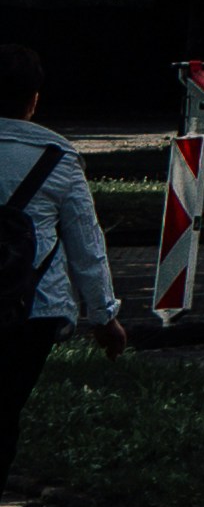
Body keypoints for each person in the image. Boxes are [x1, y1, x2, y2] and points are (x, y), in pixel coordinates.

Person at [0, 76, 125, 481]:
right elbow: (85, 243)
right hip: (32, 312)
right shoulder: (58, 158)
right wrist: (104, 317)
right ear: (33, 99)